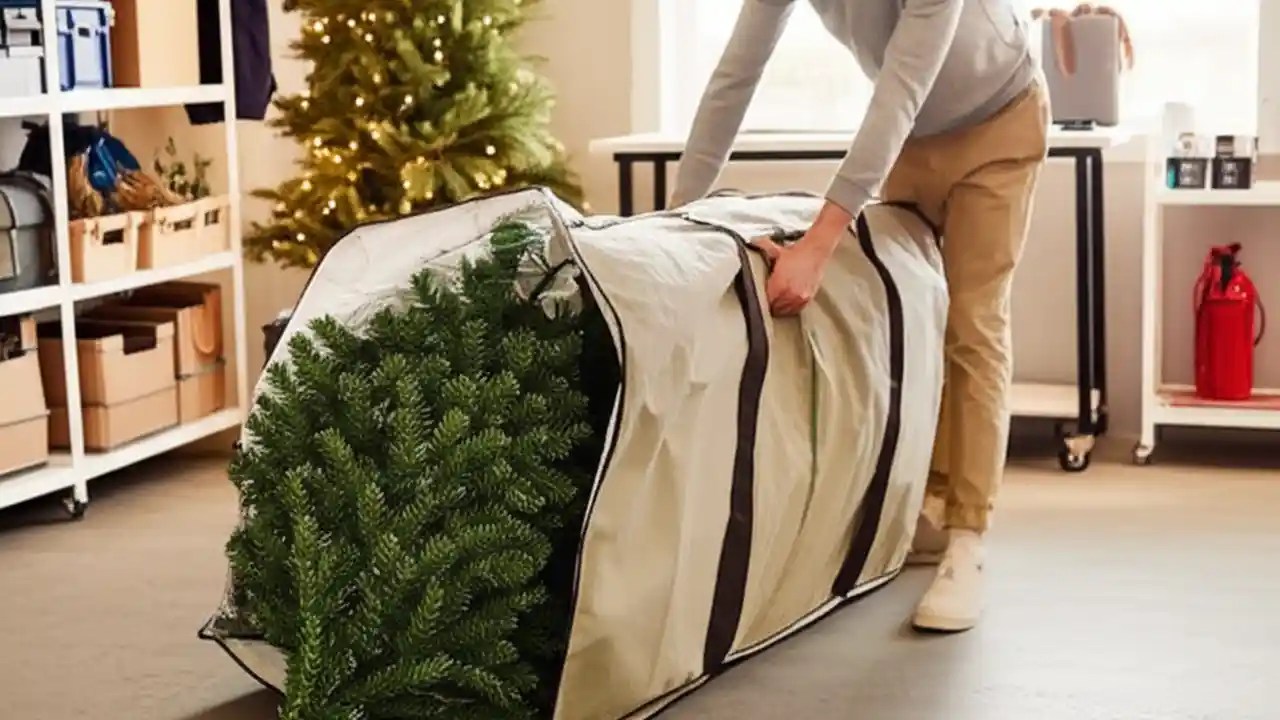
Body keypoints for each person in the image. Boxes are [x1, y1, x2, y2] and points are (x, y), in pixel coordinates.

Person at [670, 0, 1049, 633]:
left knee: (974, 324)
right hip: (915, 138)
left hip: (1000, 122)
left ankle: (967, 538)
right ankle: (928, 505)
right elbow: (736, 75)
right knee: (908, 314)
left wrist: (817, 245)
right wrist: (676, 217)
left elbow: (898, 88)